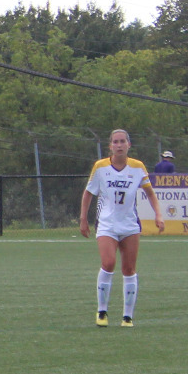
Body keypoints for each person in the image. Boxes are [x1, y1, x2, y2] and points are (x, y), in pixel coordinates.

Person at [79, 129, 164, 328]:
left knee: (129, 269)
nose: (119, 145)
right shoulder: (100, 167)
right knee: (108, 263)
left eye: (122, 141)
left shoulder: (137, 167)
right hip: (107, 224)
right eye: (115, 142)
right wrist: (83, 218)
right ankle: (102, 311)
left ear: (128, 145)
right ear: (110, 146)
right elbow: (88, 193)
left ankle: (127, 316)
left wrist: (158, 214)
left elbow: (150, 193)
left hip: (130, 225)